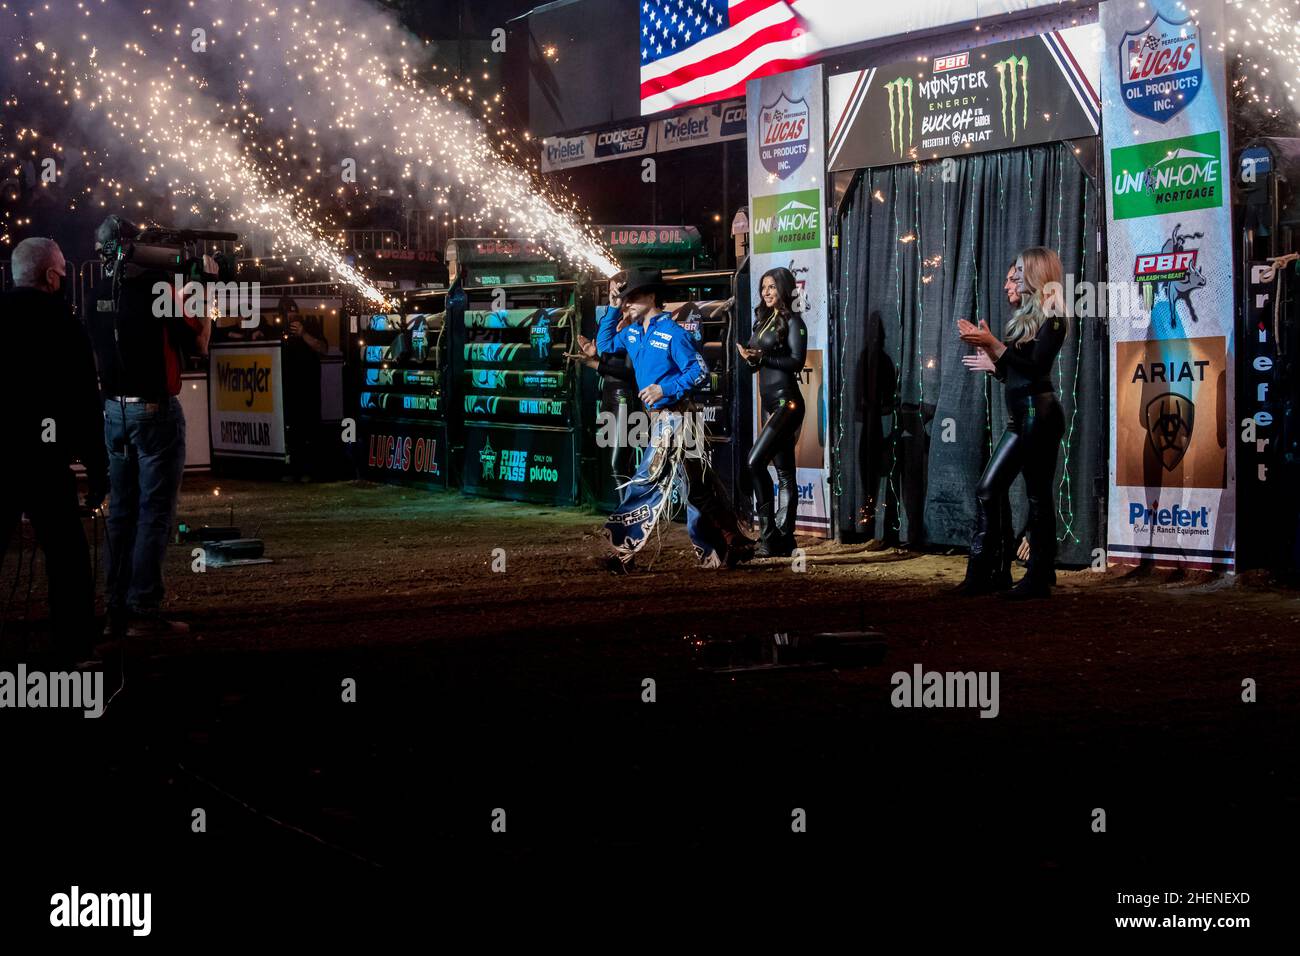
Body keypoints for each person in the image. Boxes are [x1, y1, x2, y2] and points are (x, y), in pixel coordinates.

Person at [87, 216, 208, 637]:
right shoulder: (158, 291)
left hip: (114, 413)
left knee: (121, 512)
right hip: (154, 412)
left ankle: (115, 609)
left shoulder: (97, 294)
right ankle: (143, 608)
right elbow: (198, 341)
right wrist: (200, 288)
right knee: (154, 513)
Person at [592, 267, 752, 570]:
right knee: (697, 486)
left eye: (633, 297)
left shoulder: (673, 333)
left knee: (646, 482)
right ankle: (730, 543)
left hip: (678, 419)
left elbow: (700, 370)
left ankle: (622, 553)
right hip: (666, 420)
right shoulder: (633, 332)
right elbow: (604, 347)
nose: (628, 303)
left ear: (652, 296)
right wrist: (613, 308)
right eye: (625, 299)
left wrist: (663, 387)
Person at [0, 237, 108, 663]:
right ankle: (76, 648)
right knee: (67, 557)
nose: (64, 280)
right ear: (50, 276)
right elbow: (82, 399)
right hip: (43, 462)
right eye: (62, 274)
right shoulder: (61, 321)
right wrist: (98, 467)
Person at [956, 247, 1067, 599]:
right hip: (1021, 416)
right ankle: (987, 574)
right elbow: (1016, 370)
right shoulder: (1025, 316)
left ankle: (1037, 578)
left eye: (1019, 270)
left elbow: (1036, 366)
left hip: (1040, 414)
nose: (1014, 276)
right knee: (988, 489)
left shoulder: (1055, 311)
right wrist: (995, 359)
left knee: (1037, 498)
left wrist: (996, 348)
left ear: (1036, 271)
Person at [737, 267, 807, 558]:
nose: (766, 292)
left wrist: (762, 356)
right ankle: (784, 539)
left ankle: (769, 535)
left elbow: (796, 362)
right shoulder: (763, 321)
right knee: (785, 473)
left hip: (787, 404)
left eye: (772, 287)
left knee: (754, 463)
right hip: (770, 405)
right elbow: (761, 364)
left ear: (784, 289)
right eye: (763, 287)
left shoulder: (794, 322)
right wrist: (751, 360)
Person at [574, 272, 642, 488]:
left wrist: (596, 363)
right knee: (618, 463)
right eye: (611, 290)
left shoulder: (638, 326)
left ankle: (628, 516)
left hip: (627, 398)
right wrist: (594, 357)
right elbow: (606, 350)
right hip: (611, 396)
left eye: (619, 290)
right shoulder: (618, 324)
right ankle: (627, 514)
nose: (614, 295)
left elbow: (632, 374)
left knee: (620, 463)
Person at [278, 296, 329, 481]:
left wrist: (303, 334)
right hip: (289, 388)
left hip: (309, 387)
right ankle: (295, 470)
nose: (291, 316)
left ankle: (313, 471)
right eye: (286, 313)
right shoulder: (280, 330)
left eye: (293, 312)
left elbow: (323, 348)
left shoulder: (311, 325)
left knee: (311, 430)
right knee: (293, 432)